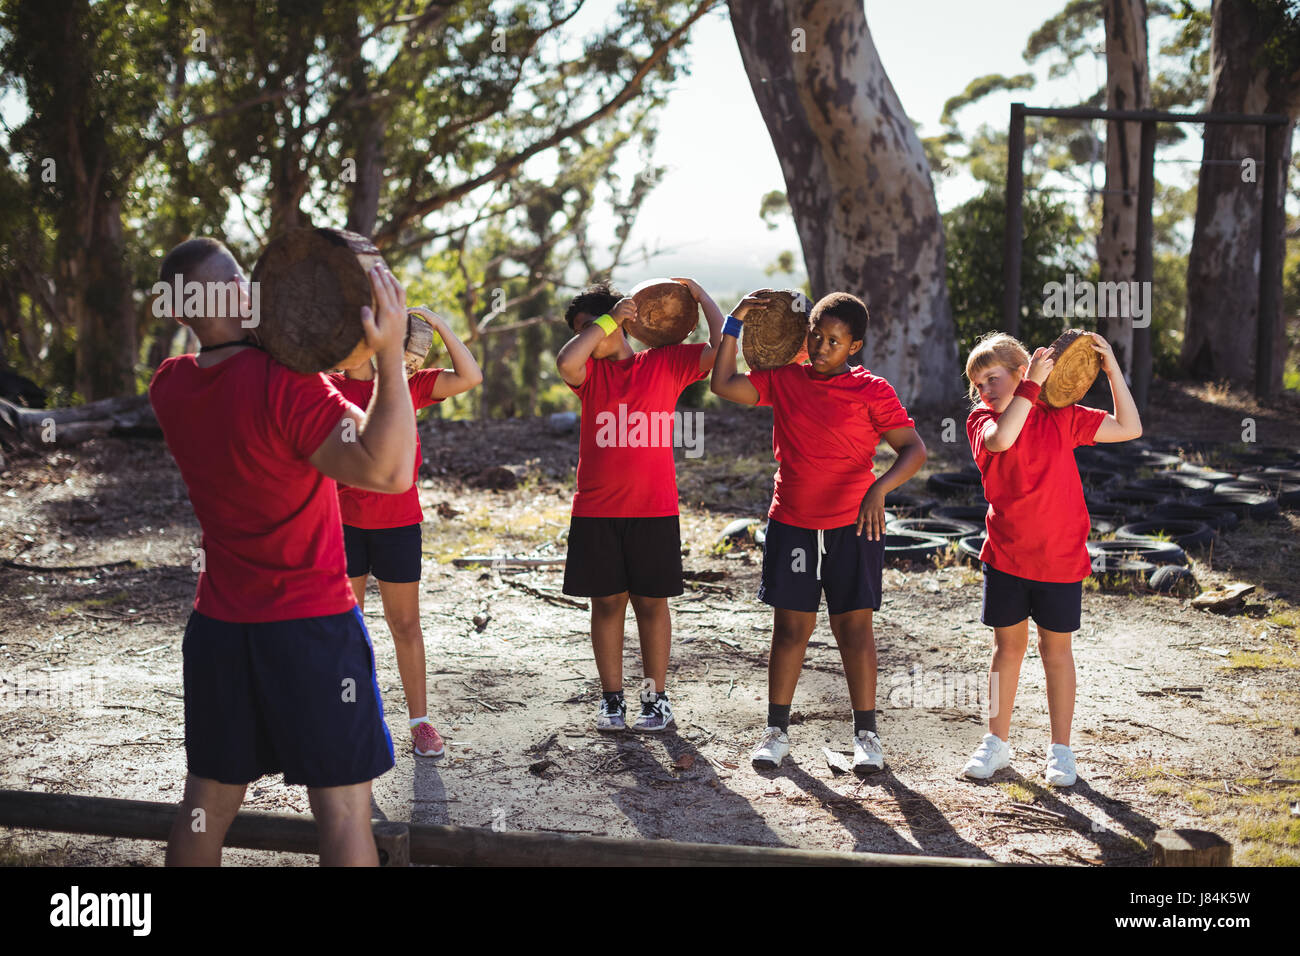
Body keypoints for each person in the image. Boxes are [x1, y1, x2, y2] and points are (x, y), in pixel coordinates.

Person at [150, 237, 414, 866]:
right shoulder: (286, 386)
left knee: (204, 804)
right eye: (243, 280)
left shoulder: (171, 386)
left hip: (218, 627)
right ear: (233, 293)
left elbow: (236, 372)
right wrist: (392, 361)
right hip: (310, 627)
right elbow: (389, 471)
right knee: (345, 812)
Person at [710, 291, 927, 773]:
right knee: (790, 630)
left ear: (855, 347)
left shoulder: (873, 389)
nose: (822, 346)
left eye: (834, 340)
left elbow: (913, 449)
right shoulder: (785, 379)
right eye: (816, 335)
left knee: (854, 630)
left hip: (855, 526)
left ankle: (867, 737)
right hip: (792, 525)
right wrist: (734, 321)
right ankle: (776, 732)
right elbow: (722, 383)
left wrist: (879, 489)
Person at [960, 331, 1141, 787]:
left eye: (994, 378)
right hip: (1005, 557)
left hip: (1060, 559)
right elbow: (1003, 441)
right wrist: (1029, 388)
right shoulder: (981, 421)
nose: (986, 390)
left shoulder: (1060, 416)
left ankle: (1061, 750)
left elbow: (1130, 428)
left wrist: (1111, 368)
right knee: (1007, 651)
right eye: (978, 383)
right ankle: (996, 743)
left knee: (1056, 653)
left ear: (1022, 373)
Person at [555, 278, 723, 733]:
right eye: (581, 330)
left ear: (626, 320)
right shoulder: (588, 374)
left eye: (592, 326)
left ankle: (655, 699)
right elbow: (565, 359)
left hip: (654, 510)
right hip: (597, 513)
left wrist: (702, 297)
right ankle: (612, 700)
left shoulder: (664, 364)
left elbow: (722, 347)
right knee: (606, 604)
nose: (587, 337)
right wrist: (607, 320)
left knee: (652, 604)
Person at [328, 308, 482, 759]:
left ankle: (420, 723)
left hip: (397, 523)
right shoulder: (328, 390)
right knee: (346, 625)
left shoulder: (403, 384)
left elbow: (469, 376)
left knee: (405, 624)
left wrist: (439, 325)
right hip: (343, 523)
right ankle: (347, 718)